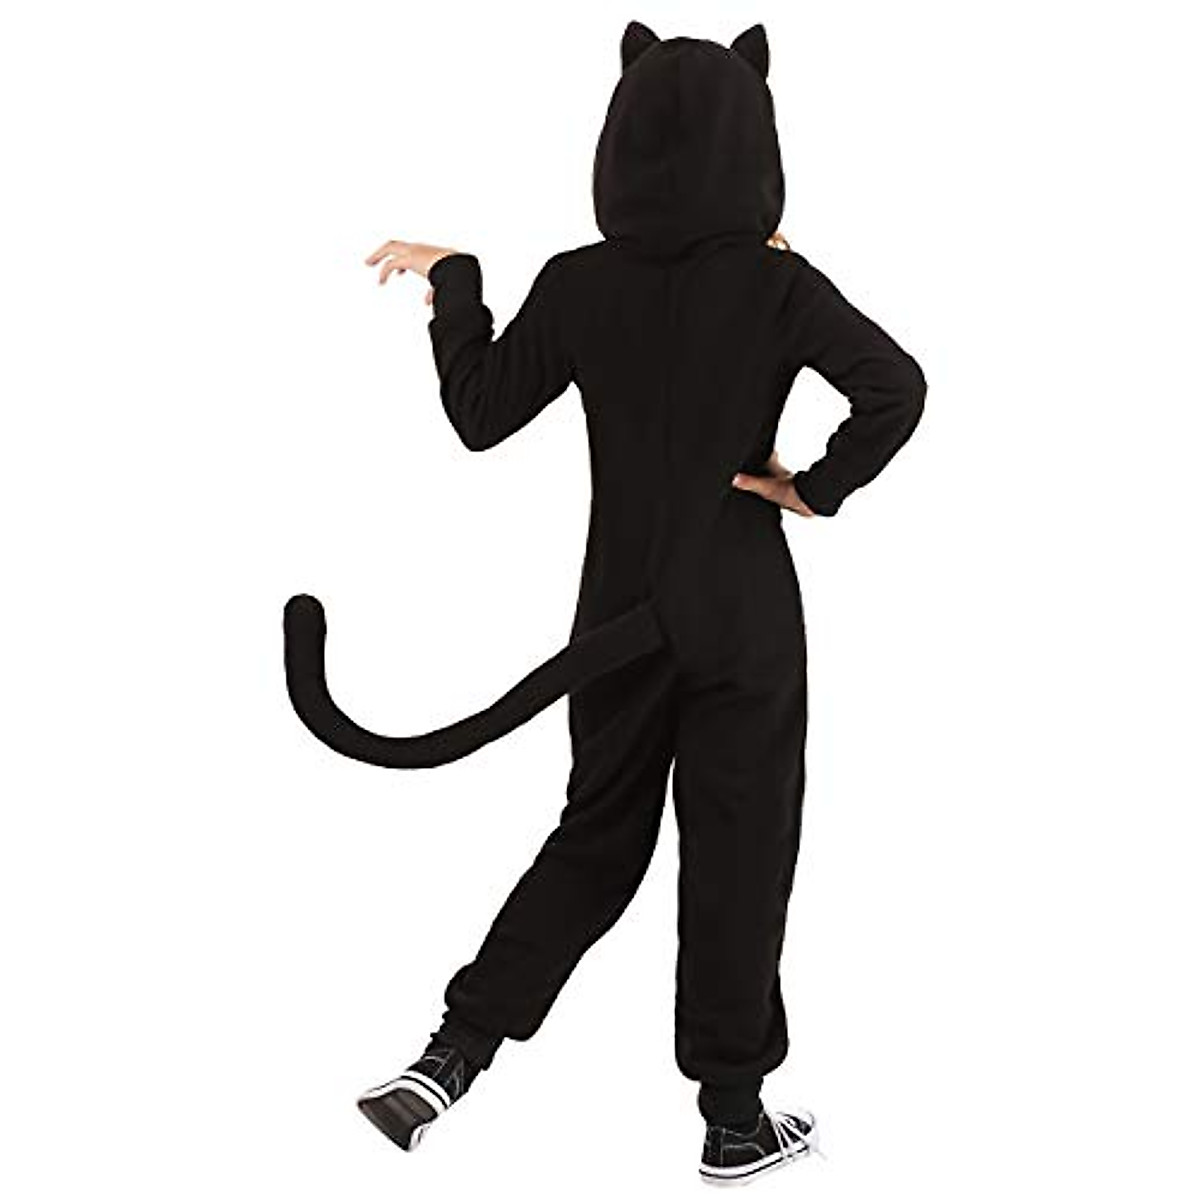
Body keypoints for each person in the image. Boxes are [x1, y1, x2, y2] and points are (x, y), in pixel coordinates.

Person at [292, 19, 925, 1186]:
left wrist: (457, 284)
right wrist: (814, 488)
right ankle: (734, 1120)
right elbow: (897, 387)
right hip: (741, 609)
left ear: (619, 138)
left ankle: (450, 1057)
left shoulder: (581, 283)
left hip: (618, 613)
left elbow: (480, 412)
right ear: (756, 139)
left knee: (596, 838)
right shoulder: (780, 283)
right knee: (740, 856)